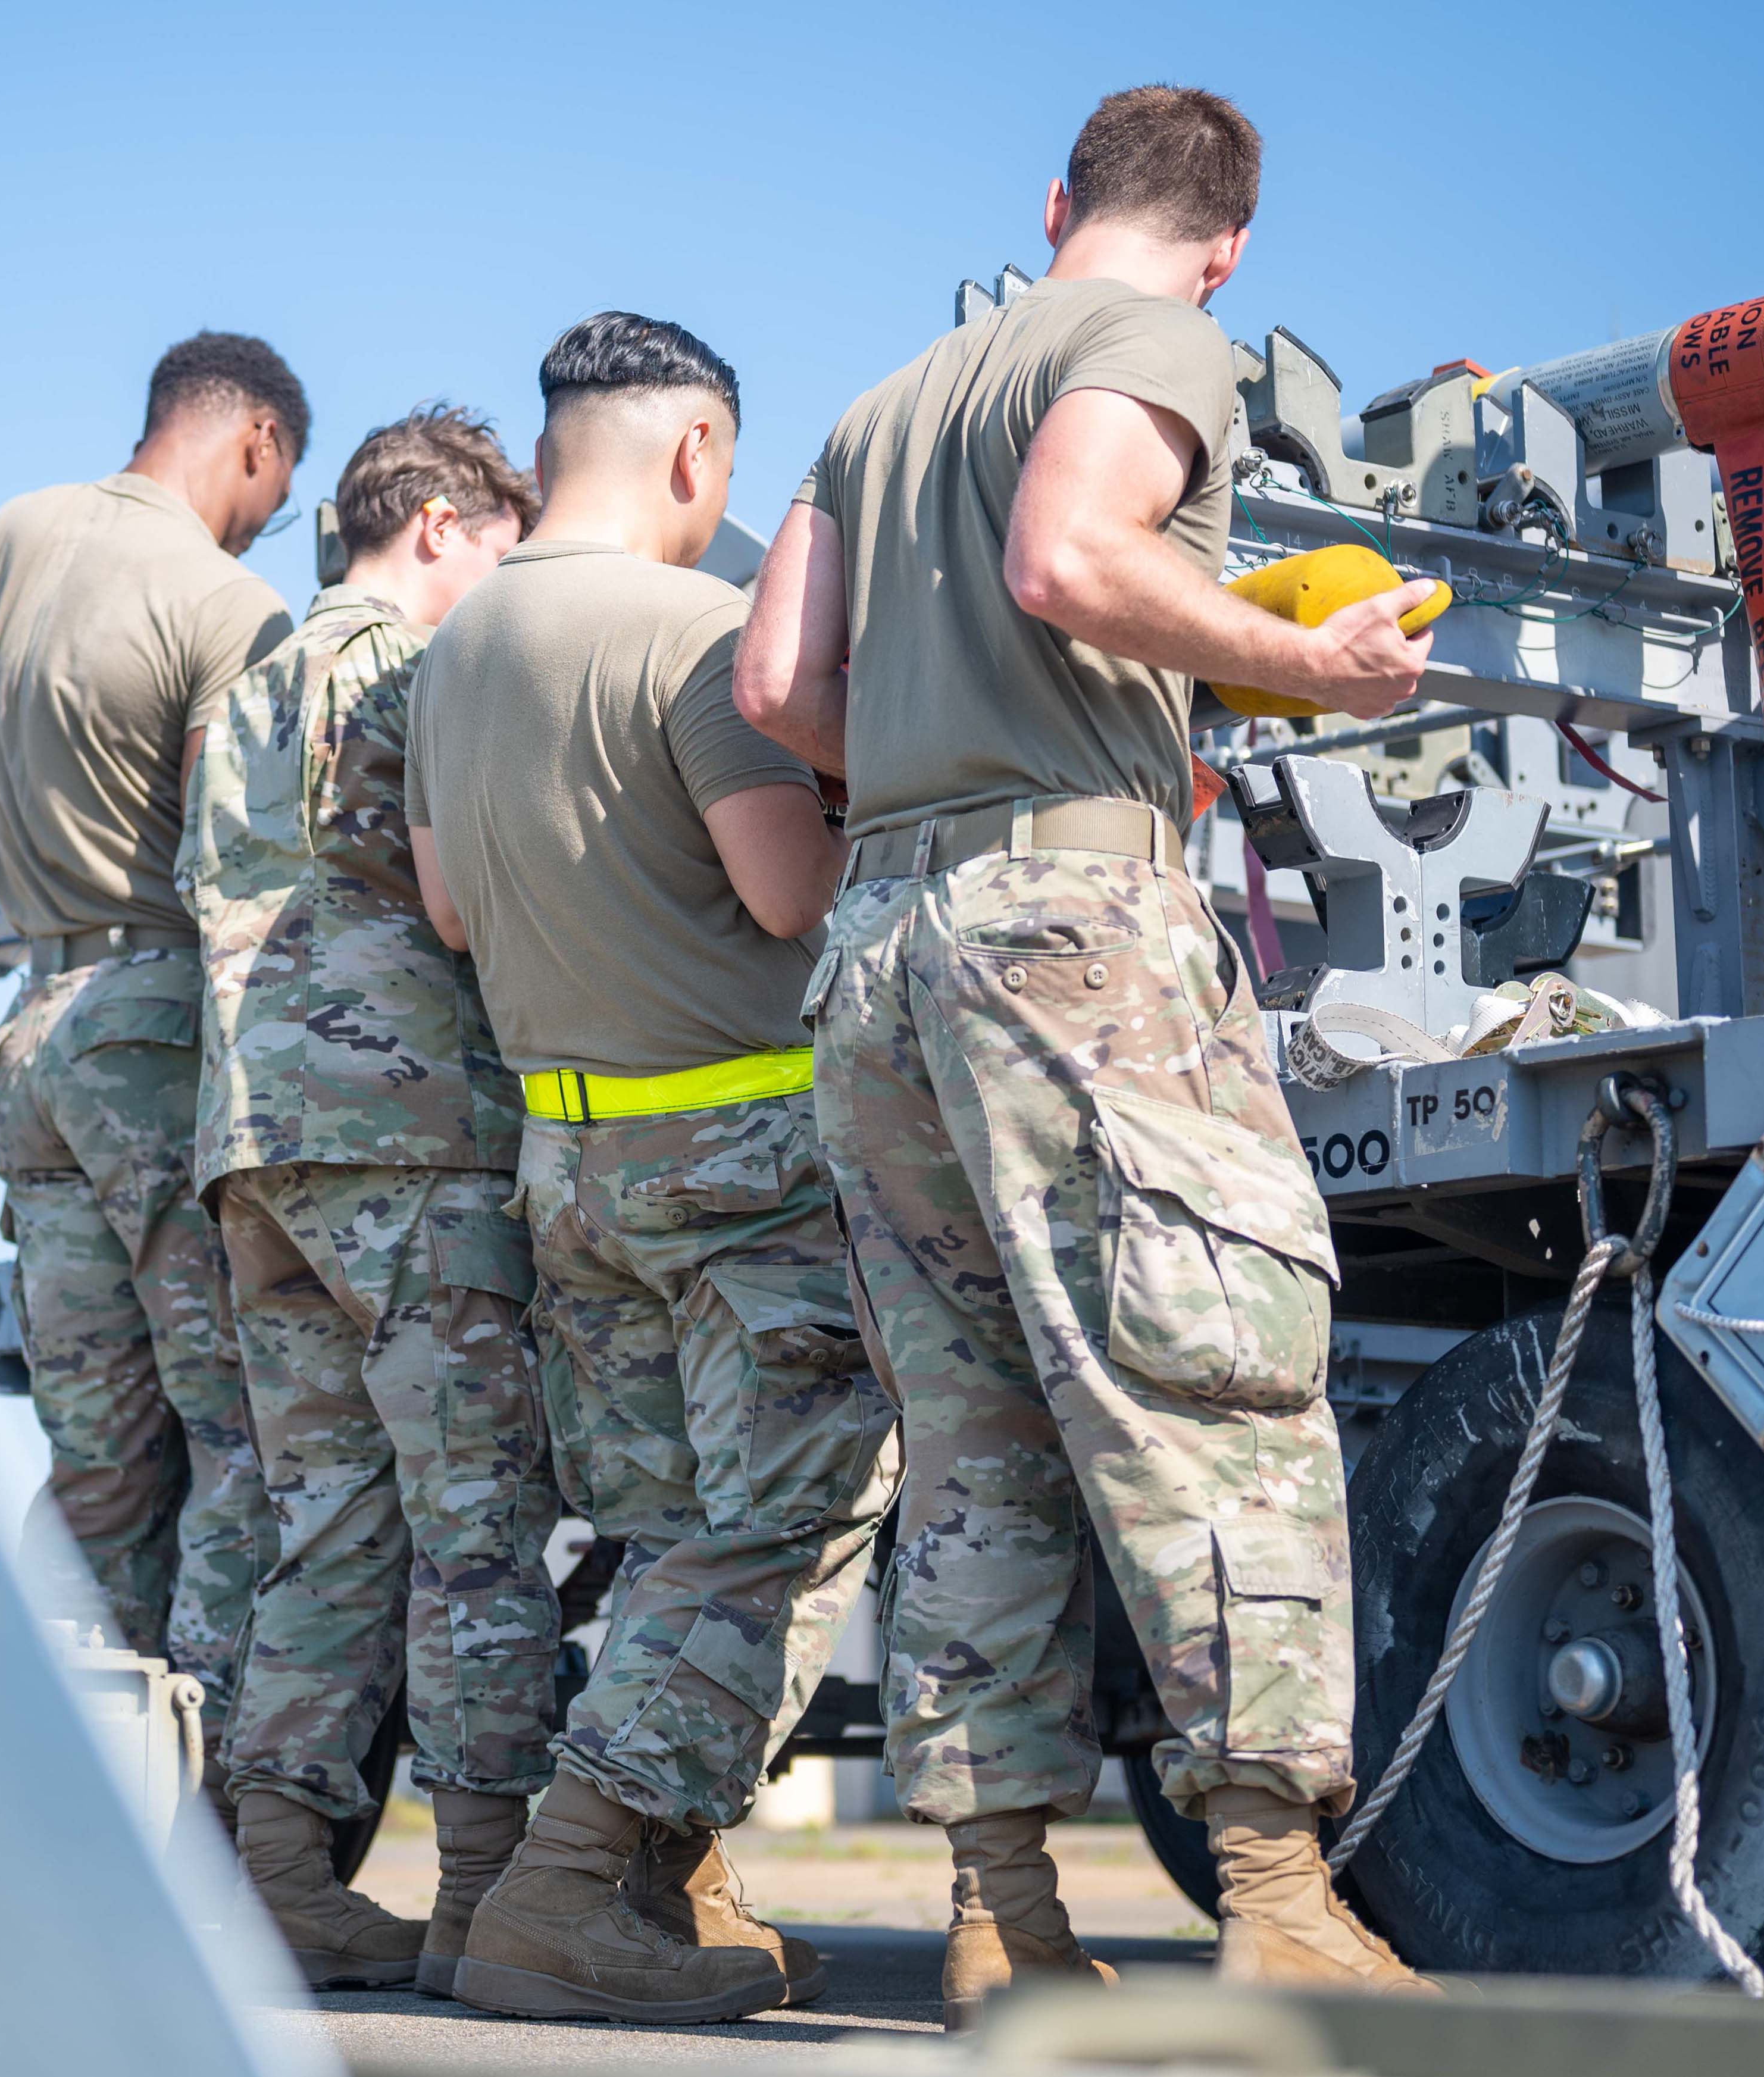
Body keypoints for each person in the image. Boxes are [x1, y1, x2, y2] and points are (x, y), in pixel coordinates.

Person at [733, 87, 1438, 2016]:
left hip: (878, 946)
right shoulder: (1161, 340)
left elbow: (774, 687)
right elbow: (1065, 553)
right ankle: (1281, 1901)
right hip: (1072, 921)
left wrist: (935, 776)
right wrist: (1314, 661)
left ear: (1054, 204)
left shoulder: (883, 408)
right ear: (1228, 247)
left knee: (974, 1446)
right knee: (1209, 1380)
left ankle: (1003, 1918)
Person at [404, 314, 902, 2025]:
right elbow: (786, 897)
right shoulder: (699, 636)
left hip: (570, 1155)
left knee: (668, 1532)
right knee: (781, 1525)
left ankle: (661, 1890)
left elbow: (455, 917)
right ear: (695, 451)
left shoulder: (454, 653)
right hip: (739, 1156)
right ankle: (560, 1893)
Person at [177, 406, 555, 1994]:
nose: (499, 594)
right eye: (497, 558)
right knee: (475, 1520)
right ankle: (480, 1892)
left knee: (324, 1525)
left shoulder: (242, 679)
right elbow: (457, 892)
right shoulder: (410, 666)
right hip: (400, 1125)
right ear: (433, 523)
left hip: (256, 1143)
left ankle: (277, 1876)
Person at [0, 330, 305, 1800]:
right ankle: (210, 1821)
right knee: (238, 1436)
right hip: (158, 1019)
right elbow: (245, 852)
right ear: (258, 447)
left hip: (30, 1029)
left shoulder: (11, 532)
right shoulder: (232, 602)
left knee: (95, 1452)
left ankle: (28, 1793)